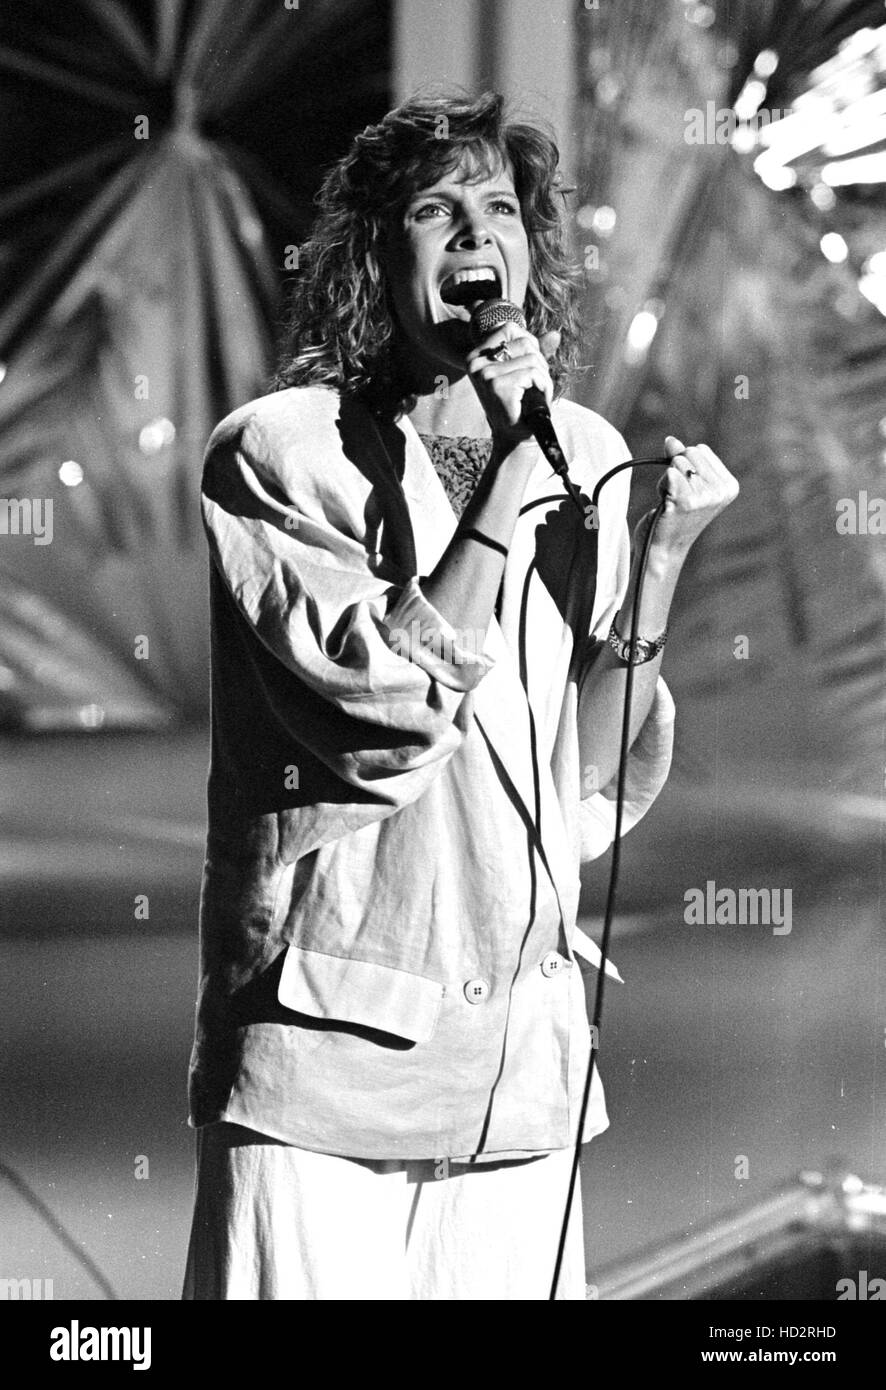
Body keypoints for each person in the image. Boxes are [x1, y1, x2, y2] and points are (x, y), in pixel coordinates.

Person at [182, 90, 738, 1301]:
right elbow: (377, 703)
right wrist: (499, 501)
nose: (474, 234)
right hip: (329, 1058)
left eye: (500, 208)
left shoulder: (583, 450)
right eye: (435, 209)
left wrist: (657, 564)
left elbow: (579, 777)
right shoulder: (280, 453)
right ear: (371, 257)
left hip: (515, 1071)